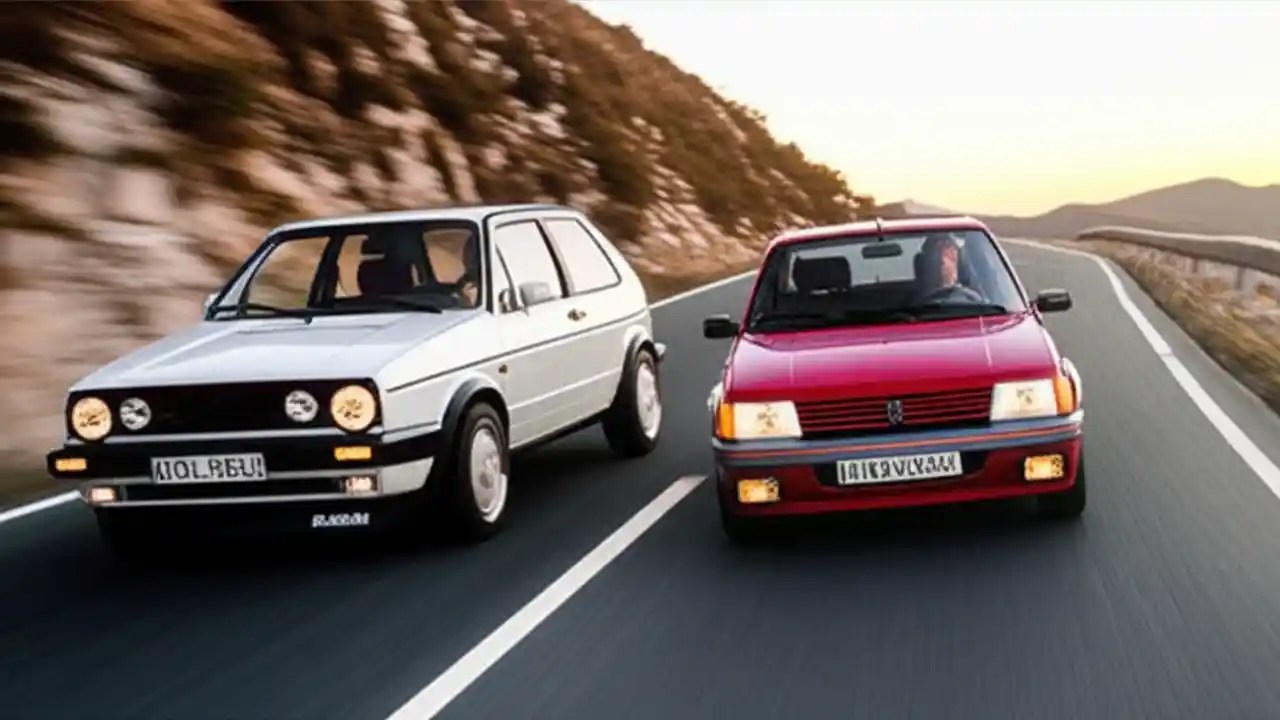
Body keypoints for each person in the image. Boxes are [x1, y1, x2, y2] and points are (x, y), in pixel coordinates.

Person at [912, 233, 984, 303]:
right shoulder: (912, 303)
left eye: (948, 256)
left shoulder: (973, 300)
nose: (942, 261)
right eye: (936, 255)